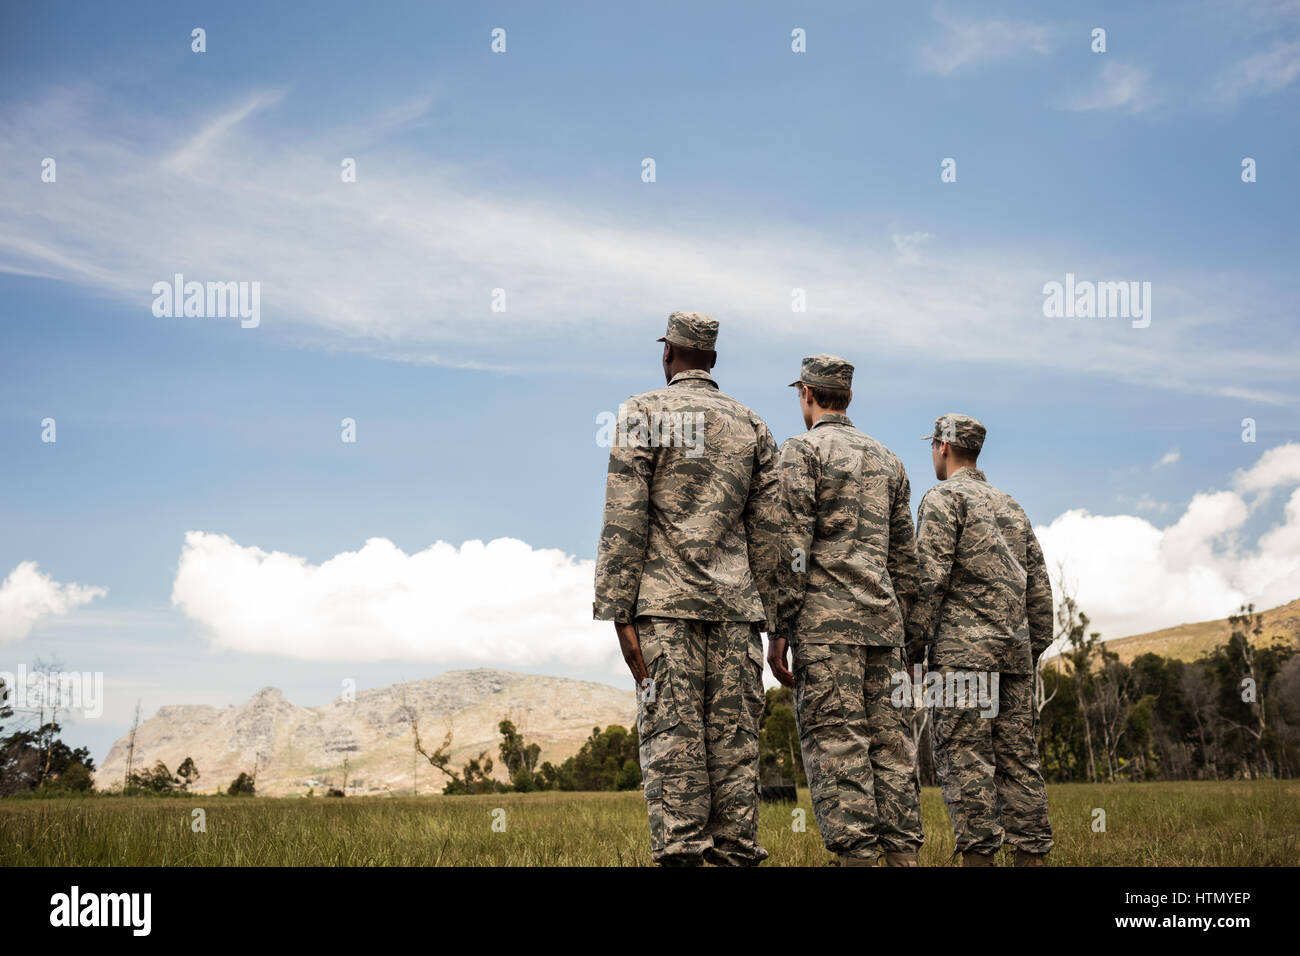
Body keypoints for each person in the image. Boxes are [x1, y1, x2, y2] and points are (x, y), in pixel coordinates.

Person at [593, 311, 781, 866]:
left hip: (662, 614)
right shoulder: (752, 425)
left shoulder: (641, 413)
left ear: (667, 354)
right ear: (714, 361)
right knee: (735, 756)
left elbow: (624, 519)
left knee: (673, 751)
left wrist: (617, 613)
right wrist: (777, 624)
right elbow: (771, 535)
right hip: (736, 614)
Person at [768, 354, 923, 867]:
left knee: (839, 750)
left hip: (825, 630)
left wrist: (779, 627)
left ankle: (856, 859)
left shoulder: (801, 453)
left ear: (806, 394)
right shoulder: (889, 460)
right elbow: (907, 562)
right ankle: (903, 858)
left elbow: (792, 549)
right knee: (892, 752)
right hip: (885, 629)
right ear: (849, 397)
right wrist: (912, 640)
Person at [906, 414, 1054, 866]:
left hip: (960, 660)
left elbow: (929, 579)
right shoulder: (1011, 506)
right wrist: (1028, 649)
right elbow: (1040, 595)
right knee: (1019, 759)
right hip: (1014, 657)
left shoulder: (942, 499)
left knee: (965, 760)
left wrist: (913, 646)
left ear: (943, 447)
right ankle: (1030, 856)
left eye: (933, 444)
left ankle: (978, 859)